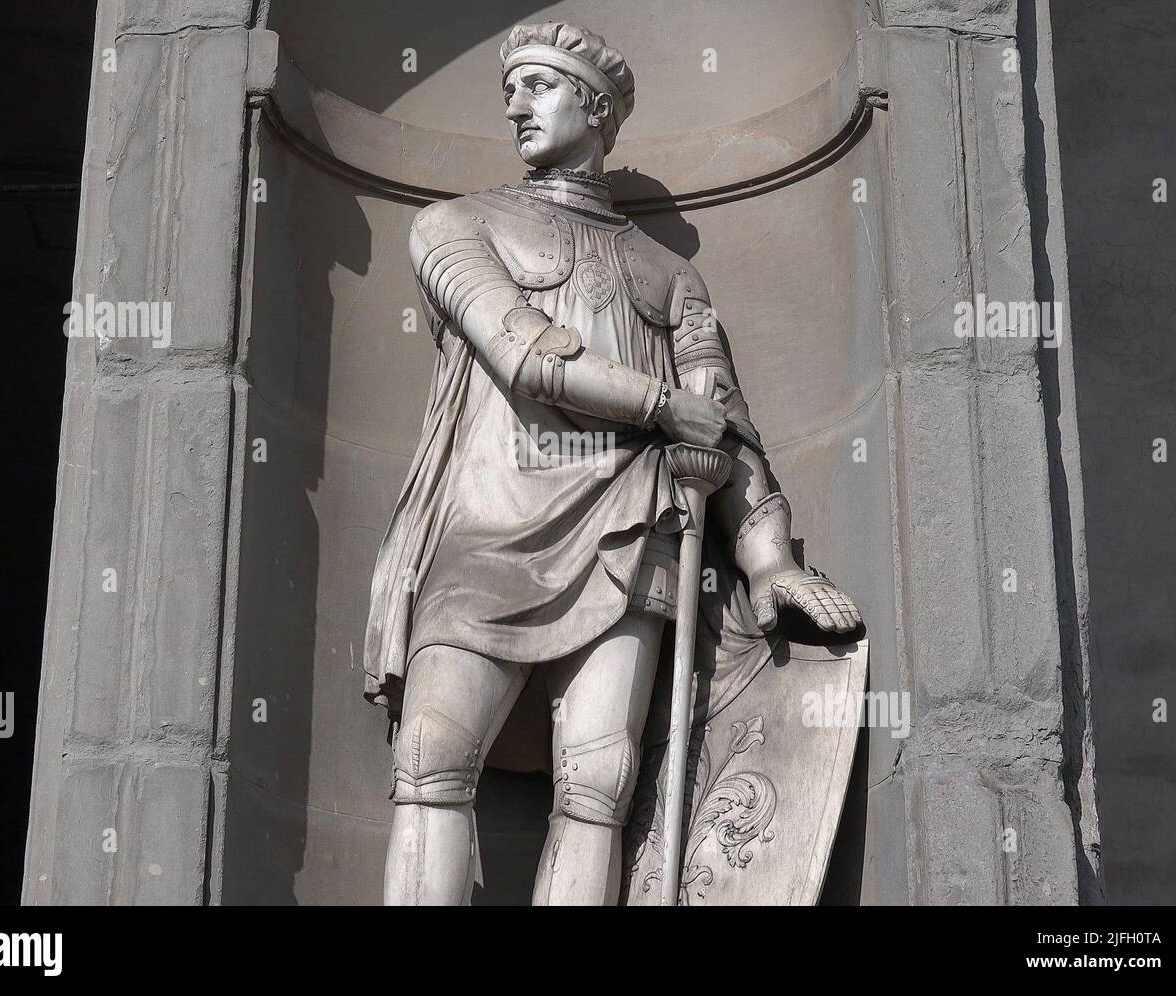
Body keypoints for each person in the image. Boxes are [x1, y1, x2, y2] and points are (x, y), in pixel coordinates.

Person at [363, 22, 861, 905]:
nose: (514, 104)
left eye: (538, 86)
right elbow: (524, 354)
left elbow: (730, 430)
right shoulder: (454, 226)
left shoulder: (670, 275)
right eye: (509, 89)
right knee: (433, 758)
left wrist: (769, 558)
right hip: (485, 521)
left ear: (595, 109)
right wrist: (666, 405)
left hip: (632, 529)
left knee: (596, 790)